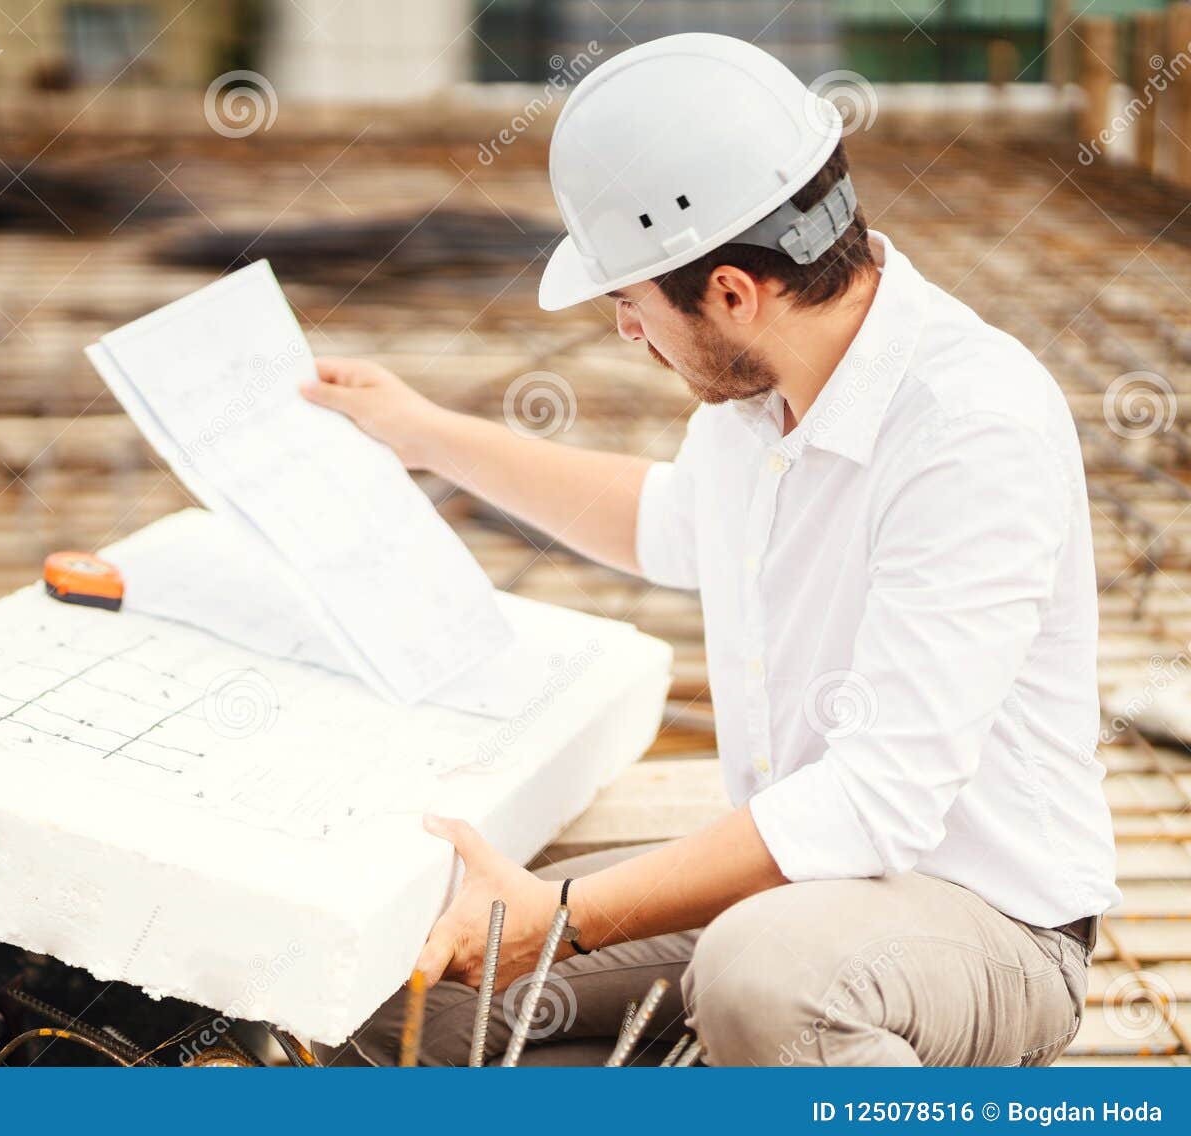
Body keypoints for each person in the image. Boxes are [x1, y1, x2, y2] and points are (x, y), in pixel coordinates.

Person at [303, 33, 1119, 1067]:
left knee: (763, 979)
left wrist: (564, 913)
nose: (625, 334)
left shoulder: (969, 428)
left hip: (987, 923)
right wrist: (423, 432)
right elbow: (665, 519)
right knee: (404, 984)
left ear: (732, 292)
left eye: (630, 303)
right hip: (799, 887)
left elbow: (876, 800)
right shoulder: (757, 405)